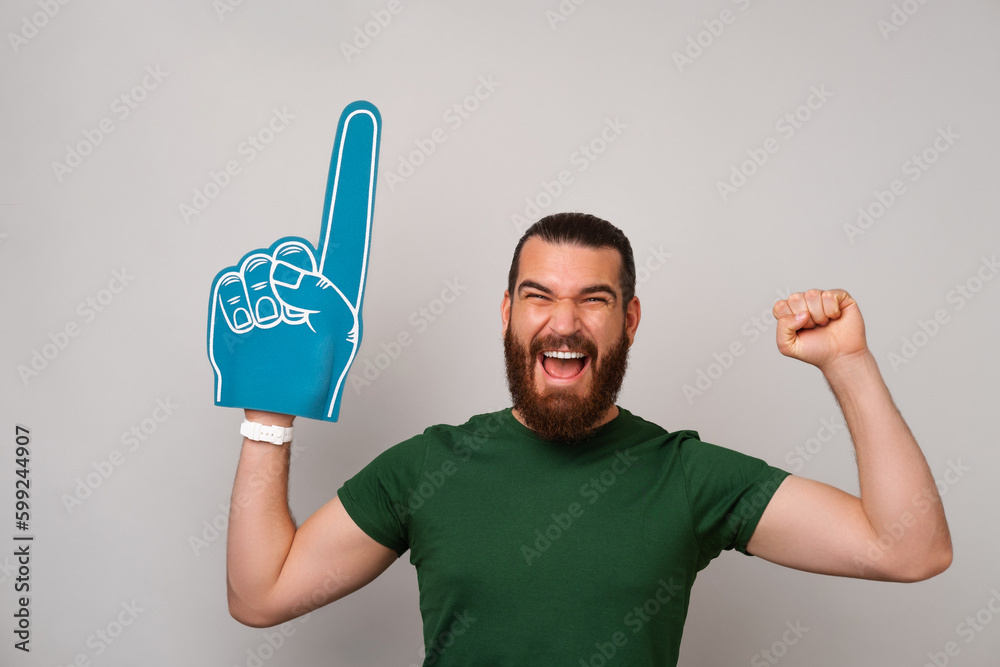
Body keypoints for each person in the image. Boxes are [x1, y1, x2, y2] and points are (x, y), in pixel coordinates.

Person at [225, 212, 952, 666]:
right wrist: (269, 409)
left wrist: (848, 363)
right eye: (539, 296)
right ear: (508, 313)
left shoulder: (686, 475)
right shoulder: (428, 468)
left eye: (593, 300)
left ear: (629, 320)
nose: (564, 322)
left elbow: (909, 548)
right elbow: (261, 594)